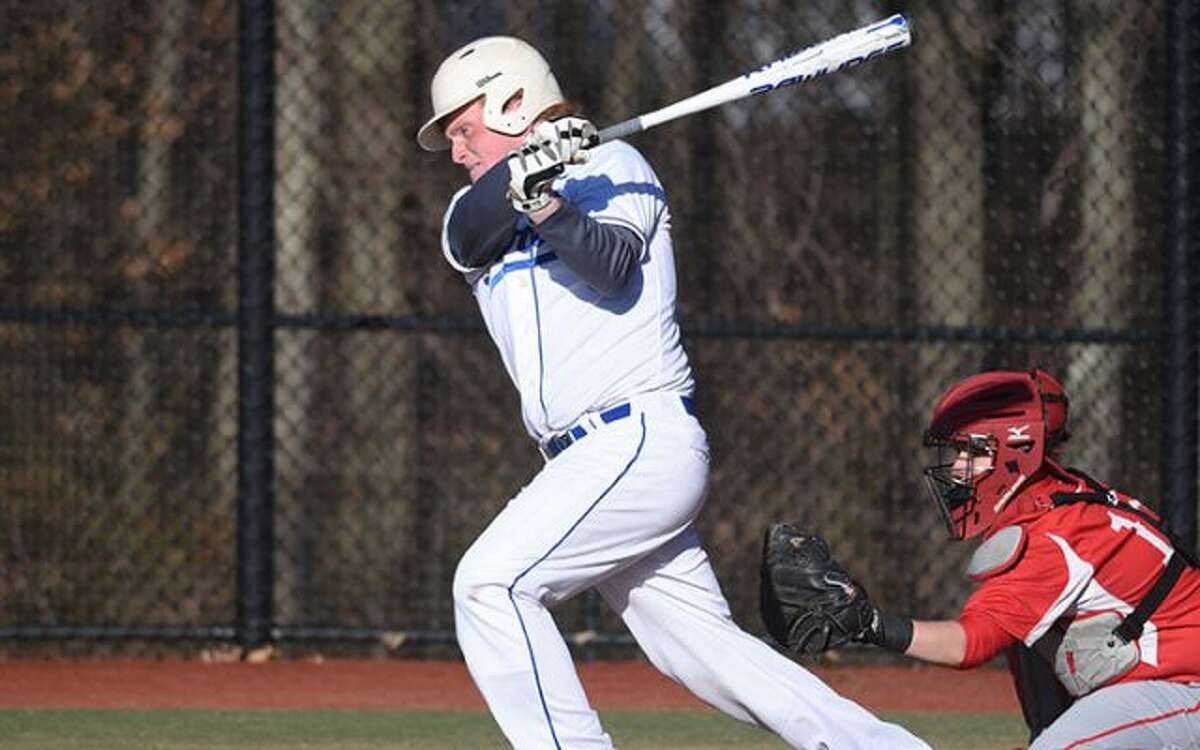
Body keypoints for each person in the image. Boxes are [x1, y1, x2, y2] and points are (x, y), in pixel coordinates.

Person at [416, 35, 929, 750]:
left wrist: (550, 206)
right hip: (581, 460)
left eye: (464, 129)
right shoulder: (468, 212)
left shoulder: (612, 166)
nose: (457, 150)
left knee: (490, 583)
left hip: (636, 439)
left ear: (513, 102)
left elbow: (610, 265)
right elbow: (469, 236)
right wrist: (522, 178)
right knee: (705, 652)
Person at [774, 368, 1200, 748]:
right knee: (1027, 630)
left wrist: (870, 624)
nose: (958, 468)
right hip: (1161, 680)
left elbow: (969, 644)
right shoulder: (1053, 499)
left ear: (1017, 453)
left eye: (974, 452)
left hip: (1185, 685)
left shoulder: (1054, 536)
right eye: (958, 452)